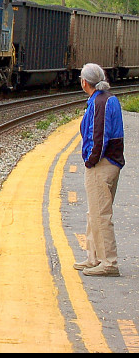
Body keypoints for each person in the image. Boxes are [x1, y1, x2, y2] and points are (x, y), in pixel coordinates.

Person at [74, 63, 125, 277]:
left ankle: (108, 262)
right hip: (111, 162)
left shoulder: (99, 102)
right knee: (94, 212)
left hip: (102, 164)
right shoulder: (108, 99)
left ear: (85, 82)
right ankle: (93, 257)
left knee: (100, 214)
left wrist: (91, 160)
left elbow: (99, 134)